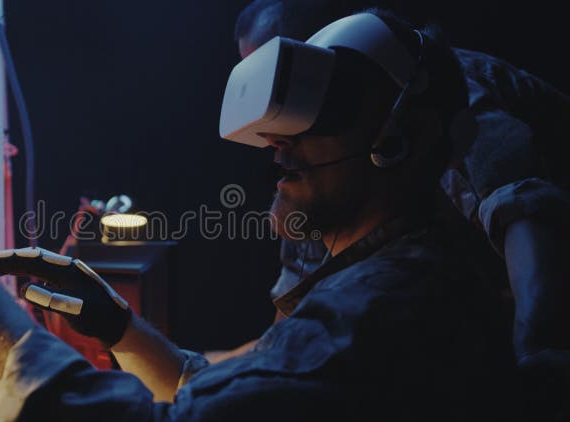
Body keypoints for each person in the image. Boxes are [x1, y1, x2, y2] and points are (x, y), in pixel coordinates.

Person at [0, 11, 519, 420]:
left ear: (404, 140)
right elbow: (233, 391)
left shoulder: (386, 315)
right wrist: (119, 327)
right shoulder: (379, 277)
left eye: (314, 116)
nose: (275, 144)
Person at [233, 0, 570, 376]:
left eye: (279, 70)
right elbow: (297, 297)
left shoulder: (424, 86)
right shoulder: (330, 164)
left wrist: (535, 354)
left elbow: (522, 207)